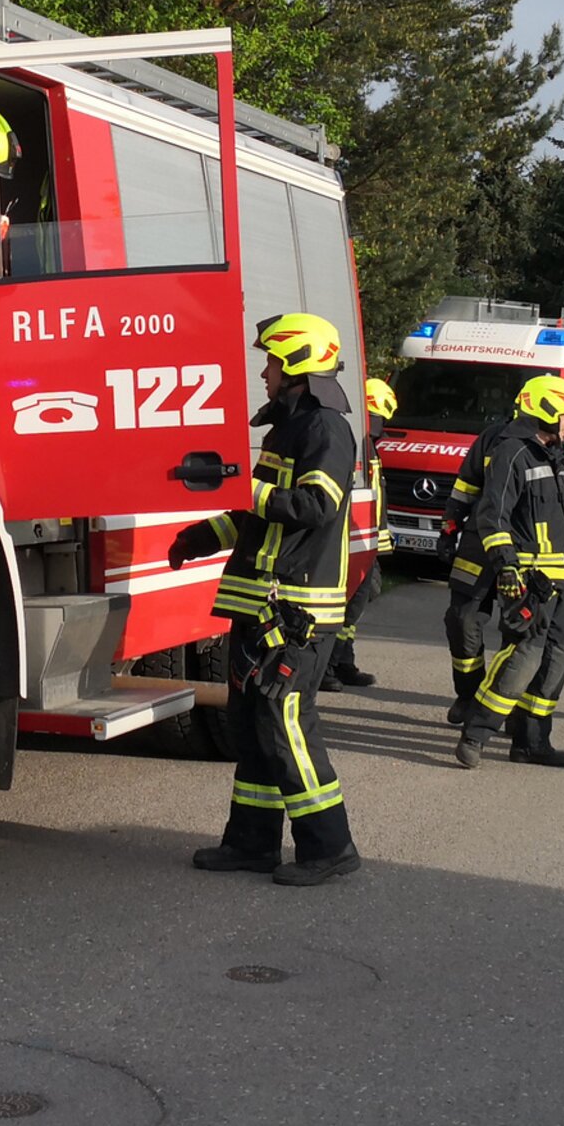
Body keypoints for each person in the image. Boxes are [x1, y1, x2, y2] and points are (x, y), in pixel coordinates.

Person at [169, 313, 361, 886]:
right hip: (262, 606)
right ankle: (252, 843)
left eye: (272, 362)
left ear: (297, 364)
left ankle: (330, 846)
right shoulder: (288, 427)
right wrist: (204, 535)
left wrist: (241, 486)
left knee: (286, 722)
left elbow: (313, 506)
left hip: (296, 614)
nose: (264, 372)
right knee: (252, 724)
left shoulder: (325, 429)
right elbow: (259, 515)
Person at [452, 374, 564, 771]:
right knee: (524, 655)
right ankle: (477, 732)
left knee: (557, 657)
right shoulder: (512, 453)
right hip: (529, 578)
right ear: (547, 411)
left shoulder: (563, 456)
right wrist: (506, 568)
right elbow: (492, 515)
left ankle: (532, 742)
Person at [438, 401, 517, 723]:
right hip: (478, 542)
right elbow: (465, 486)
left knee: (520, 632)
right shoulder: (491, 439)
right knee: (461, 620)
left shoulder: (554, 450)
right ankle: (468, 693)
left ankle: (511, 705)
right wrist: (448, 528)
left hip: (526, 549)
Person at [323, 375, 397, 690]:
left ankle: (342, 663)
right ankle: (326, 669)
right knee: (341, 608)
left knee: (353, 612)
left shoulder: (369, 446)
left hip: (366, 542)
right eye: (377, 418)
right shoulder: (355, 442)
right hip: (350, 543)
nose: (379, 427)